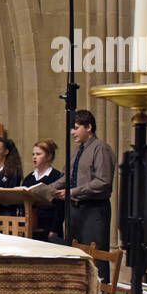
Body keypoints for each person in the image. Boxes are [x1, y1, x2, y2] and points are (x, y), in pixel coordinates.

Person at [53, 109, 115, 274]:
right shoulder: (76, 151)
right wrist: (47, 189)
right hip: (75, 210)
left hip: (93, 209)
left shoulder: (100, 148)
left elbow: (103, 181)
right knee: (75, 253)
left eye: (76, 127)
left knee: (95, 256)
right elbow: (66, 177)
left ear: (88, 127)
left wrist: (73, 192)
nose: (72, 132)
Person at [24, 139, 64, 242]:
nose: (34, 157)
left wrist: (54, 229)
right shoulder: (29, 178)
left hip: (49, 227)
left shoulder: (57, 177)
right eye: (33, 154)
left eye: (38, 154)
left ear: (49, 156)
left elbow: (60, 207)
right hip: (31, 226)